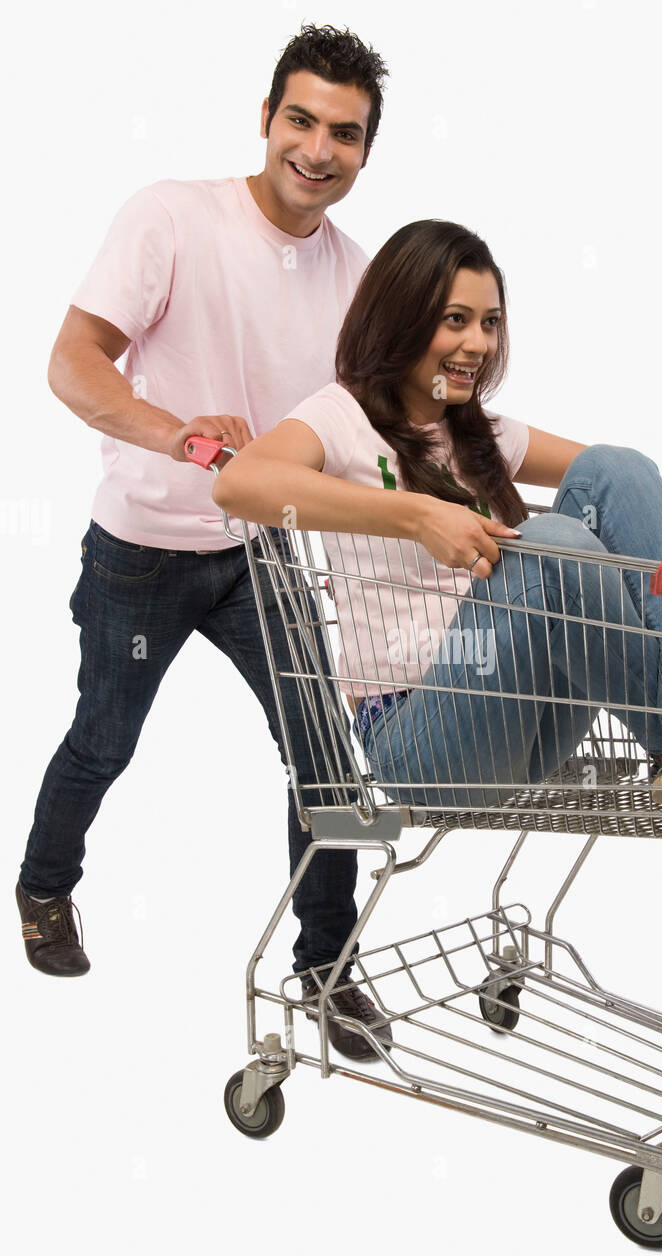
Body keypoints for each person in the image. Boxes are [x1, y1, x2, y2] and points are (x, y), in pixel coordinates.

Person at [16, 25, 394, 1062]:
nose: (319, 150)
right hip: (142, 550)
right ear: (266, 118)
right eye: (302, 121)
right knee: (105, 738)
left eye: (345, 134)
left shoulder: (358, 276)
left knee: (323, 757)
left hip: (263, 556)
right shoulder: (172, 217)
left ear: (367, 151)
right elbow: (72, 362)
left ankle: (325, 968)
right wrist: (177, 432)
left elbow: (382, 427)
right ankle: (45, 887)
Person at [213, 219, 662, 824]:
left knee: (619, 467)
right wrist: (419, 515)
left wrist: (656, 505)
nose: (478, 344)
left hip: (528, 719)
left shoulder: (477, 432)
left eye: (490, 322)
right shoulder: (341, 415)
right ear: (401, 318)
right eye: (455, 320)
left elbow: (612, 478)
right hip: (422, 738)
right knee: (551, 543)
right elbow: (239, 484)